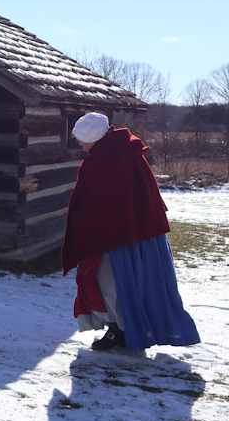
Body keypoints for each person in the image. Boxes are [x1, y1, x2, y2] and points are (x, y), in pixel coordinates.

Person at [61, 112, 200, 351]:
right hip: (141, 230)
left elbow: (100, 203)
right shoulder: (127, 150)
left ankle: (121, 330)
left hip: (119, 237)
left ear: (93, 136)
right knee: (139, 283)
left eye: (81, 138)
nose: (79, 143)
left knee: (110, 282)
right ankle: (131, 330)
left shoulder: (103, 160)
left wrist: (80, 220)